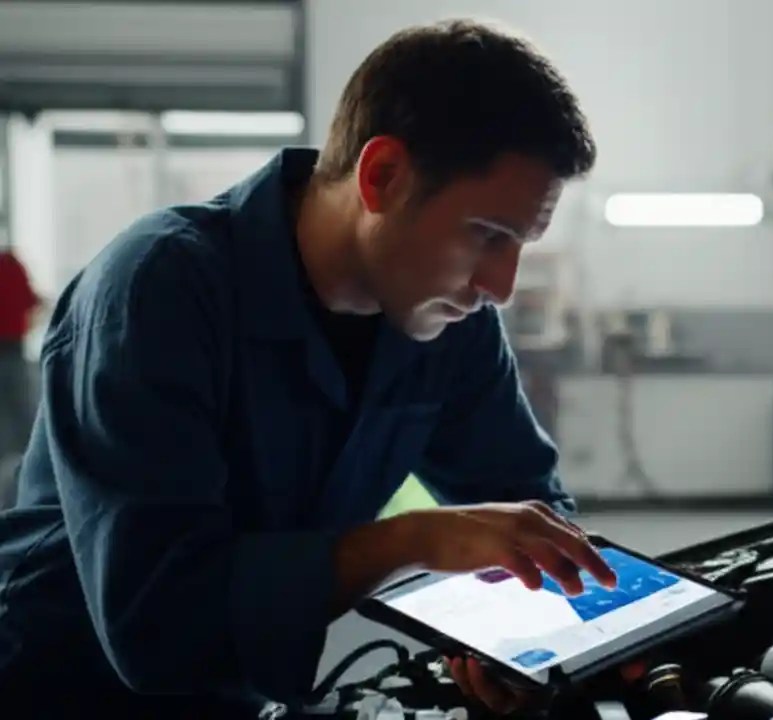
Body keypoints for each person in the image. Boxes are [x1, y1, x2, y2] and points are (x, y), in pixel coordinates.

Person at [0, 19, 618, 717]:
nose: (500, 286)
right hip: (57, 690)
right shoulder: (159, 287)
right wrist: (414, 539)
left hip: (246, 697)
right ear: (382, 175)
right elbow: (159, 628)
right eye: (488, 235)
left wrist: (515, 638)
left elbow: (530, 511)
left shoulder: (447, 321)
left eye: (521, 245)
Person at [0, 248, 38, 468]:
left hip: (13, 348)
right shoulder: (10, 264)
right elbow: (31, 304)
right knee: (22, 409)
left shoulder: (10, 264)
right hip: (14, 348)